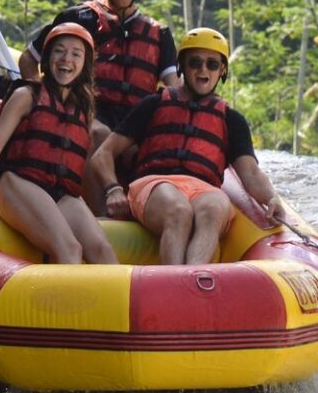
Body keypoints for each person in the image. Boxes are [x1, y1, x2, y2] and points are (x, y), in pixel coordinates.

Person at [89, 27, 283, 266]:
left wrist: (272, 198)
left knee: (213, 209)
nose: (203, 70)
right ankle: (174, 281)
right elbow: (103, 154)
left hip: (203, 189)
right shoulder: (154, 104)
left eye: (212, 64)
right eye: (195, 62)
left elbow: (251, 173)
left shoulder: (232, 120)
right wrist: (113, 189)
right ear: (182, 66)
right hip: (154, 184)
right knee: (178, 211)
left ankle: (192, 280)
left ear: (222, 70)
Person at [20, 0, 179, 208]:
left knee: (139, 148)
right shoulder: (77, 18)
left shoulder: (159, 34)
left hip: (133, 122)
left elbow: (173, 88)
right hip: (86, 108)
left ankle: (148, 210)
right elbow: (28, 60)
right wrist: (47, 101)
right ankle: (101, 214)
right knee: (100, 134)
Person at [0, 23, 118, 265]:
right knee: (69, 249)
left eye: (76, 54)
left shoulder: (83, 108)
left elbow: (77, 166)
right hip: (19, 183)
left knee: (104, 253)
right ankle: (65, 304)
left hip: (60, 191)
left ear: (85, 64)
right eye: (59, 51)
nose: (66, 59)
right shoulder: (27, 95)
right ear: (47, 57)